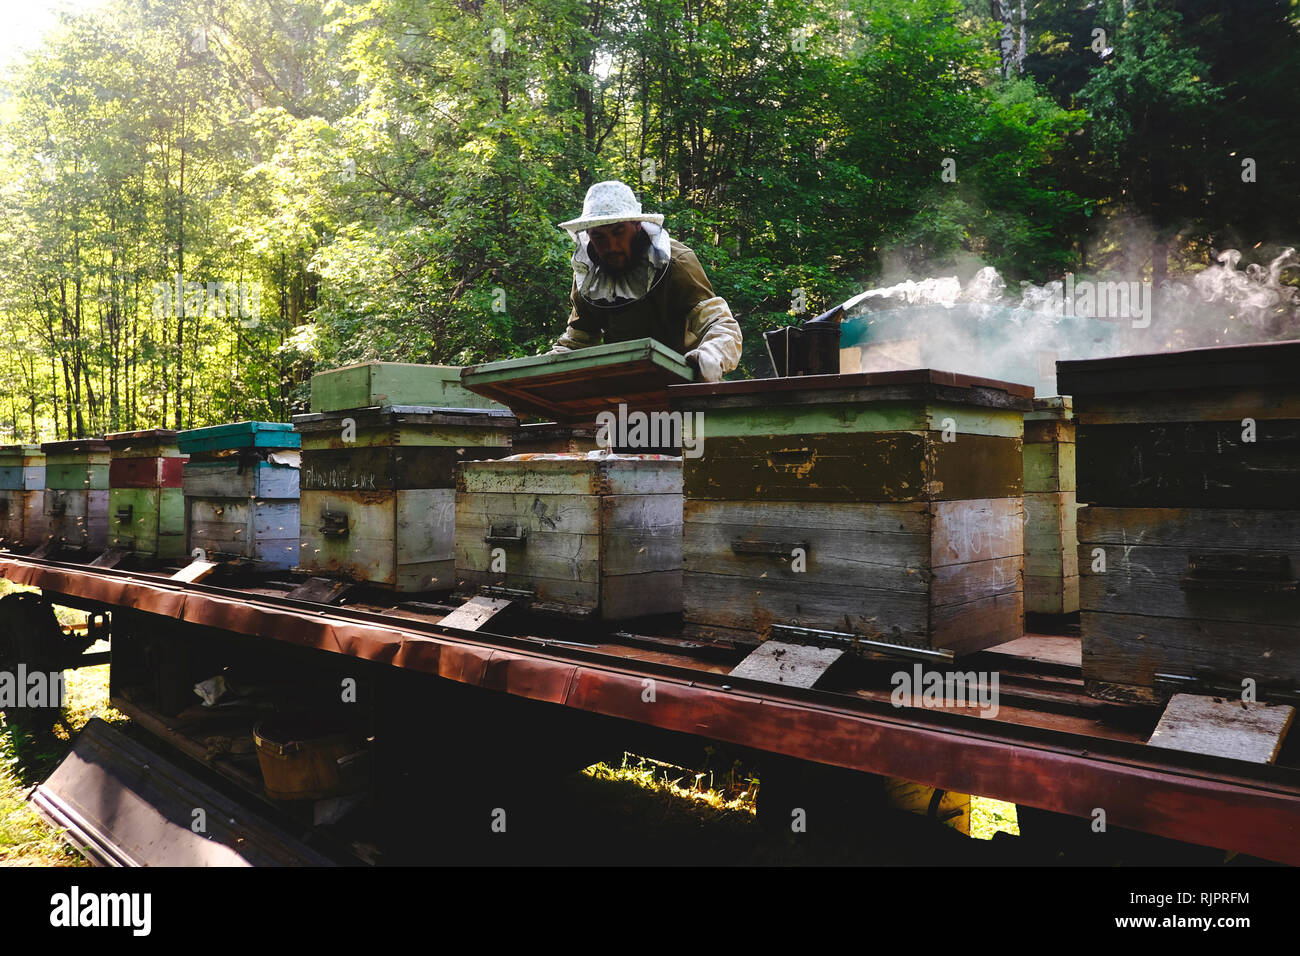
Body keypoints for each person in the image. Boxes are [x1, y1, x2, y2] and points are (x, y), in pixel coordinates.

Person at [547, 180, 742, 383]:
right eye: (599, 236)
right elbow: (578, 340)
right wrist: (537, 379)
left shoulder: (676, 262)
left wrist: (710, 356)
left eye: (618, 232)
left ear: (637, 225)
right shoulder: (588, 277)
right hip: (624, 388)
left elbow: (719, 323)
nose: (611, 246)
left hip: (685, 385)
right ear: (587, 235)